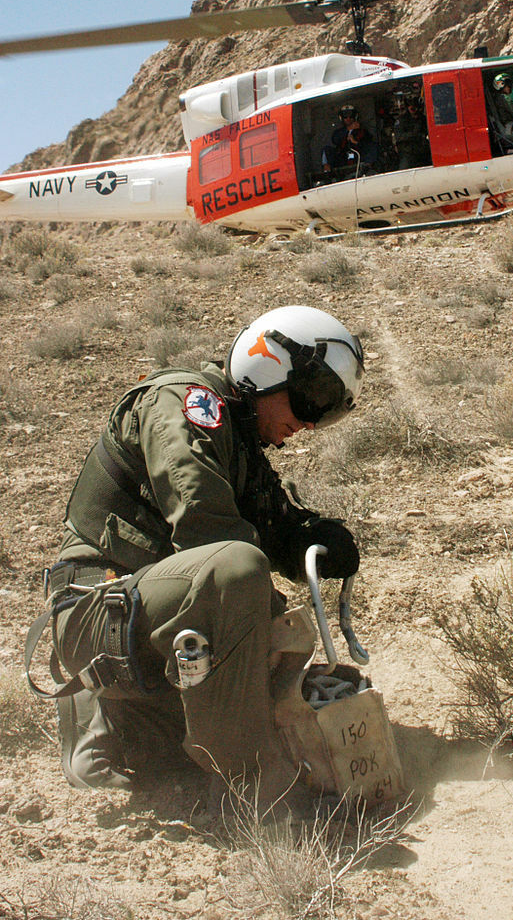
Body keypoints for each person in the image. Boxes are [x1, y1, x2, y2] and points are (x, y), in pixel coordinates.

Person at [26, 306, 365, 808]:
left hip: (147, 620)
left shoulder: (240, 443)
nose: (310, 423)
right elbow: (209, 534)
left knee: (256, 688)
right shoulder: (187, 405)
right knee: (238, 571)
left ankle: (126, 723)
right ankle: (253, 793)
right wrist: (270, 647)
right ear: (268, 368)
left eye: (328, 409)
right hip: (97, 618)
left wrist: (312, 537)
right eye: (310, 400)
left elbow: (273, 527)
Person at [322, 104, 378, 174]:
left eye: (351, 116)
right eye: (345, 116)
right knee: (326, 149)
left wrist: (355, 142)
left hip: (359, 159)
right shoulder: (339, 132)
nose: (348, 118)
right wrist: (349, 129)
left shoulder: (363, 131)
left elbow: (368, 144)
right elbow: (335, 139)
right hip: (343, 161)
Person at [392, 95, 431, 169]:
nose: (414, 110)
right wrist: (414, 134)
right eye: (412, 107)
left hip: (422, 152)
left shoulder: (422, 119)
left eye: (416, 107)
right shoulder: (402, 120)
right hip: (408, 153)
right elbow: (399, 137)